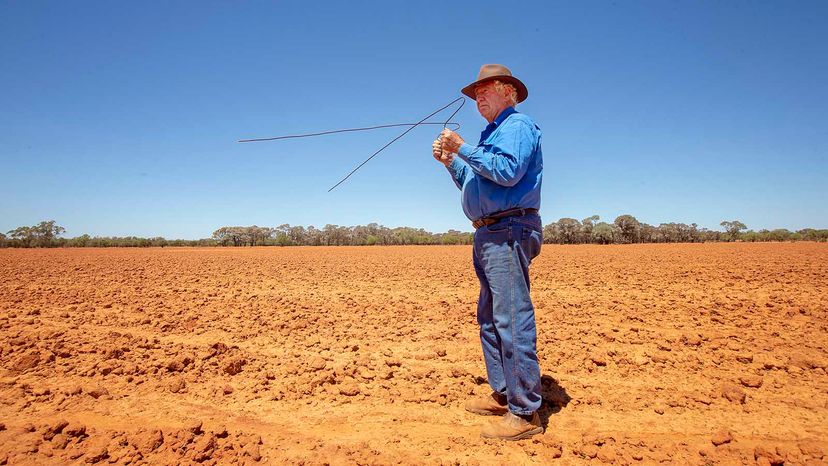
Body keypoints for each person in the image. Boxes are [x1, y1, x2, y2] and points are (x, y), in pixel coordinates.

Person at [433, 64, 544, 441]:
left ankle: (525, 414)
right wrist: (452, 162)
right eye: (475, 92)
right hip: (488, 233)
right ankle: (503, 394)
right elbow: (476, 182)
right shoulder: (490, 134)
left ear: (508, 91)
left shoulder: (518, 126)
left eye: (486, 89)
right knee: (490, 319)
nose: (478, 97)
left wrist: (461, 147)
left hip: (509, 229)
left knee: (511, 317)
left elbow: (508, 171)